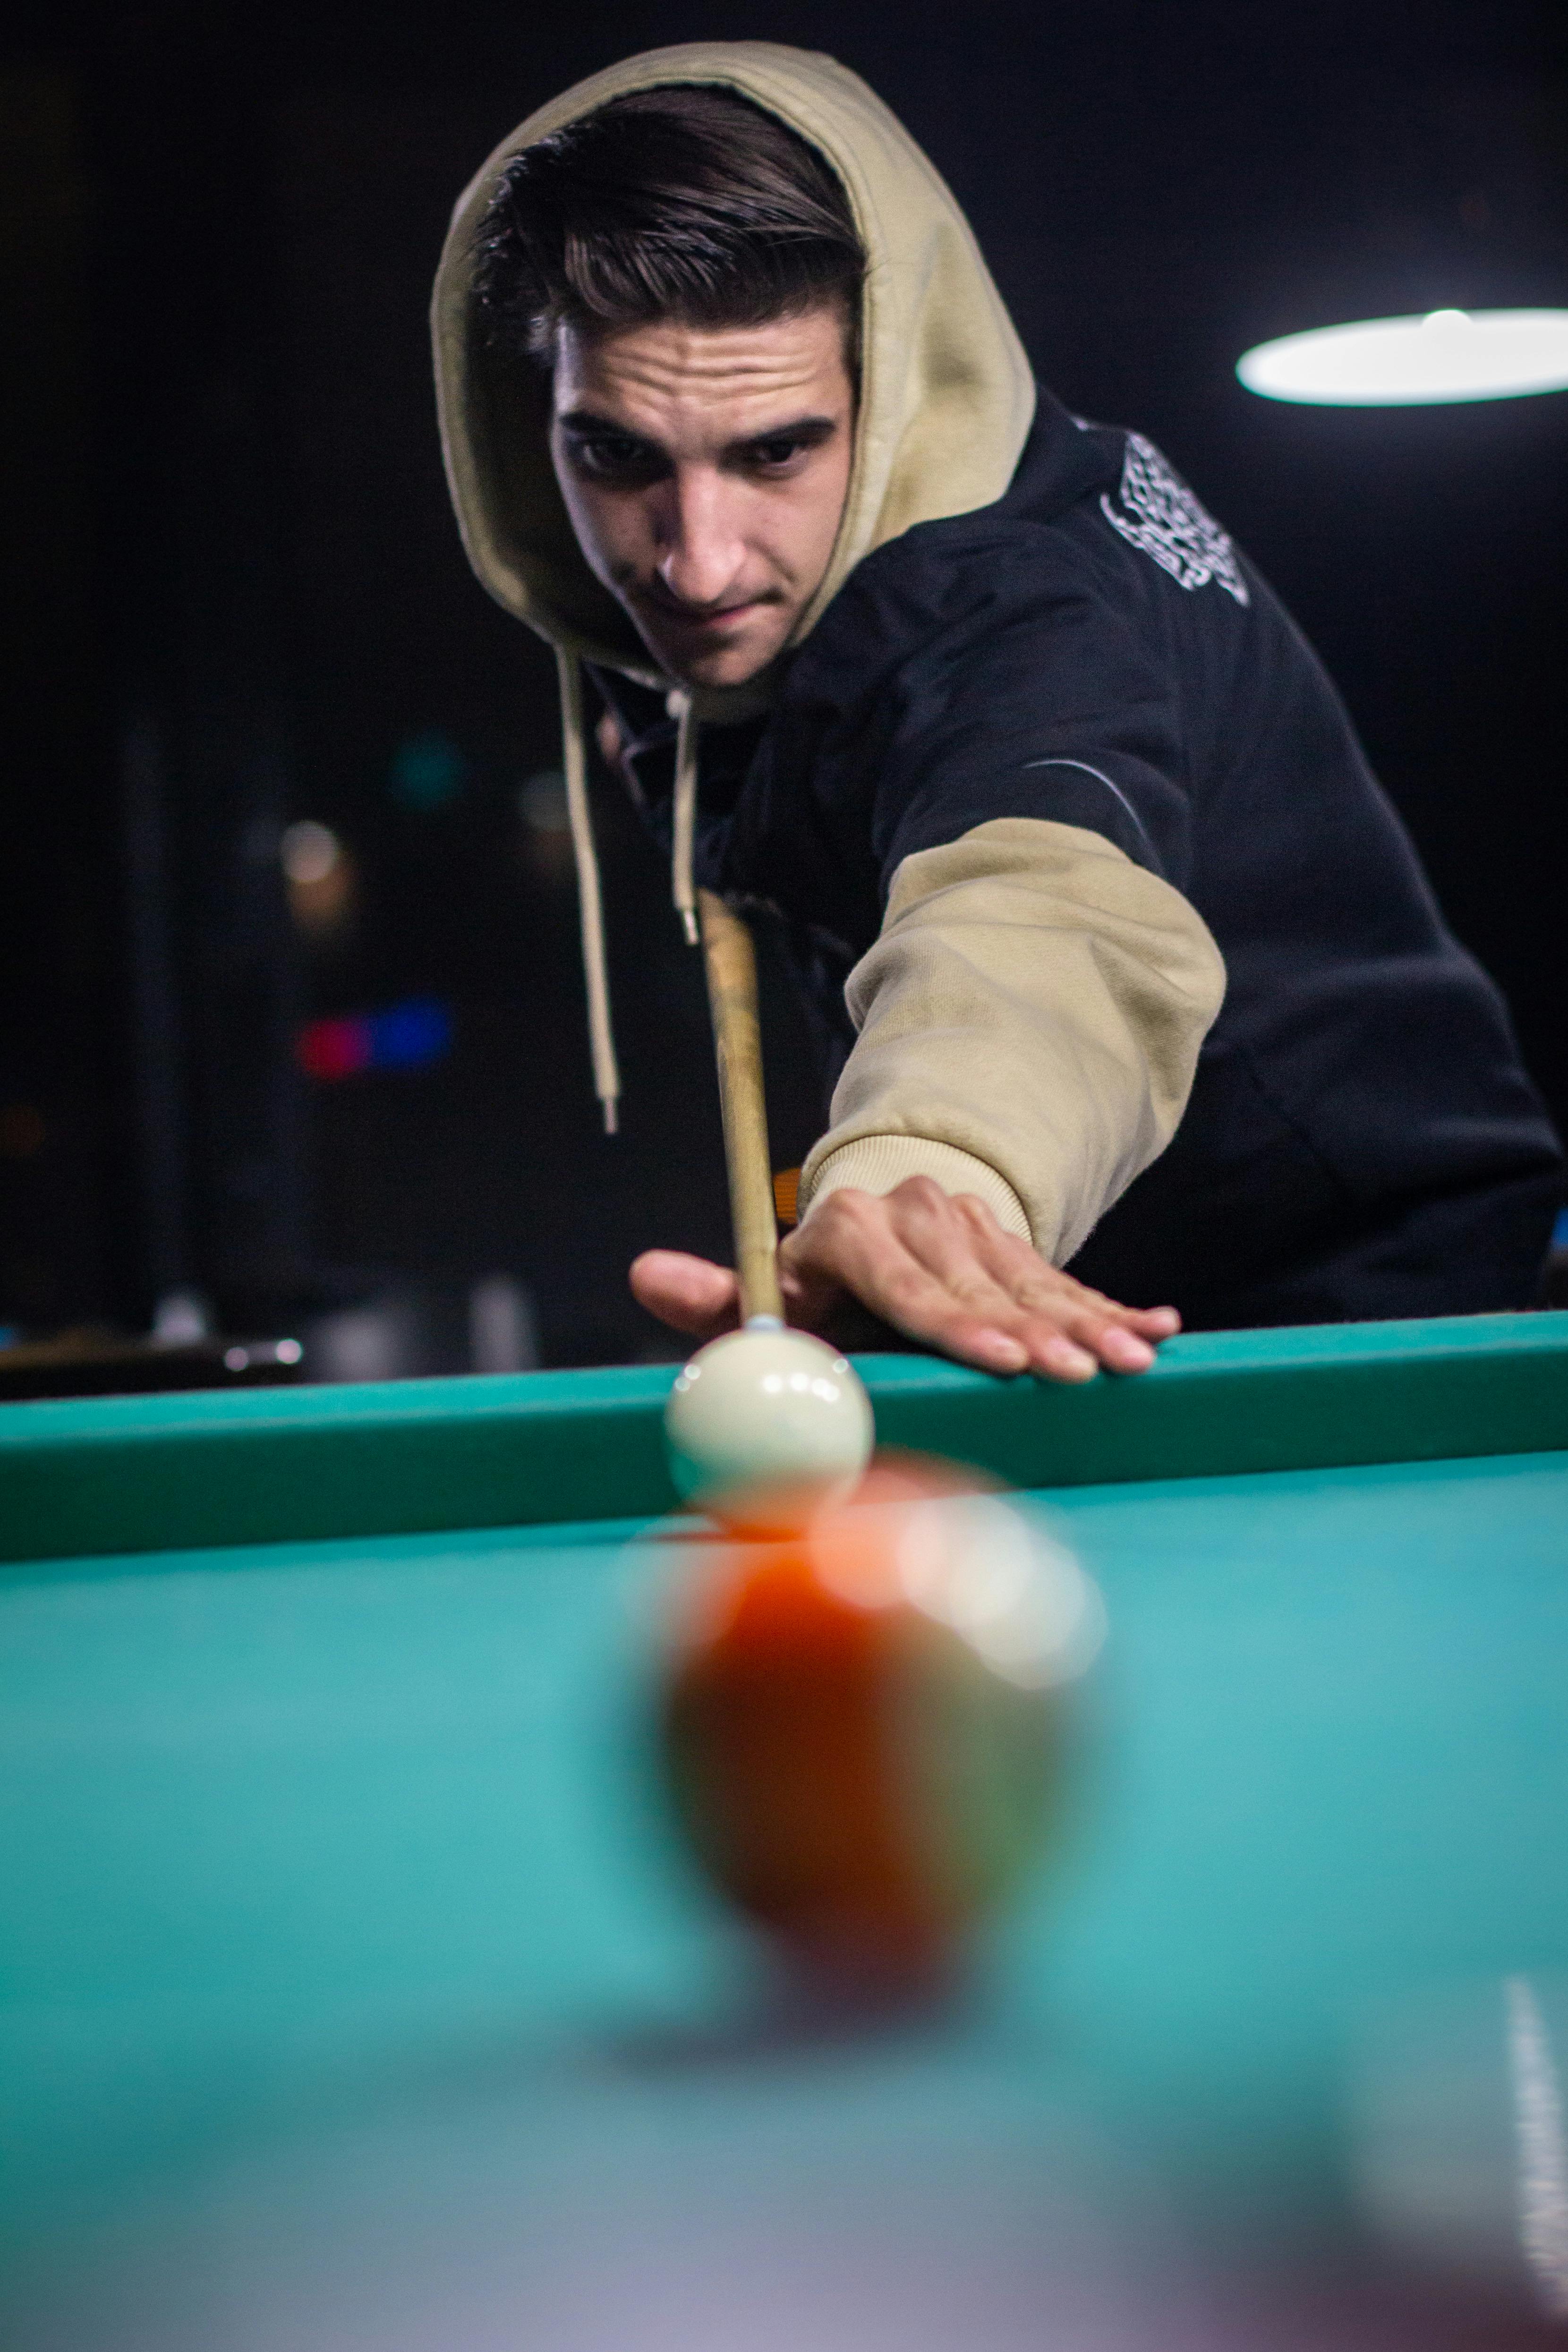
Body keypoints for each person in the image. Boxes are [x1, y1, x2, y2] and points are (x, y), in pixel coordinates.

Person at [432, 43, 1563, 1383]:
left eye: (776, 450)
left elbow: (1043, 910)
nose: (698, 562)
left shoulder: (1027, 612)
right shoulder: (799, 594)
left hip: (1376, 1307)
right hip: (1078, 1300)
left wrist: (933, 1170)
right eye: (615, 454)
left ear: (896, 389)